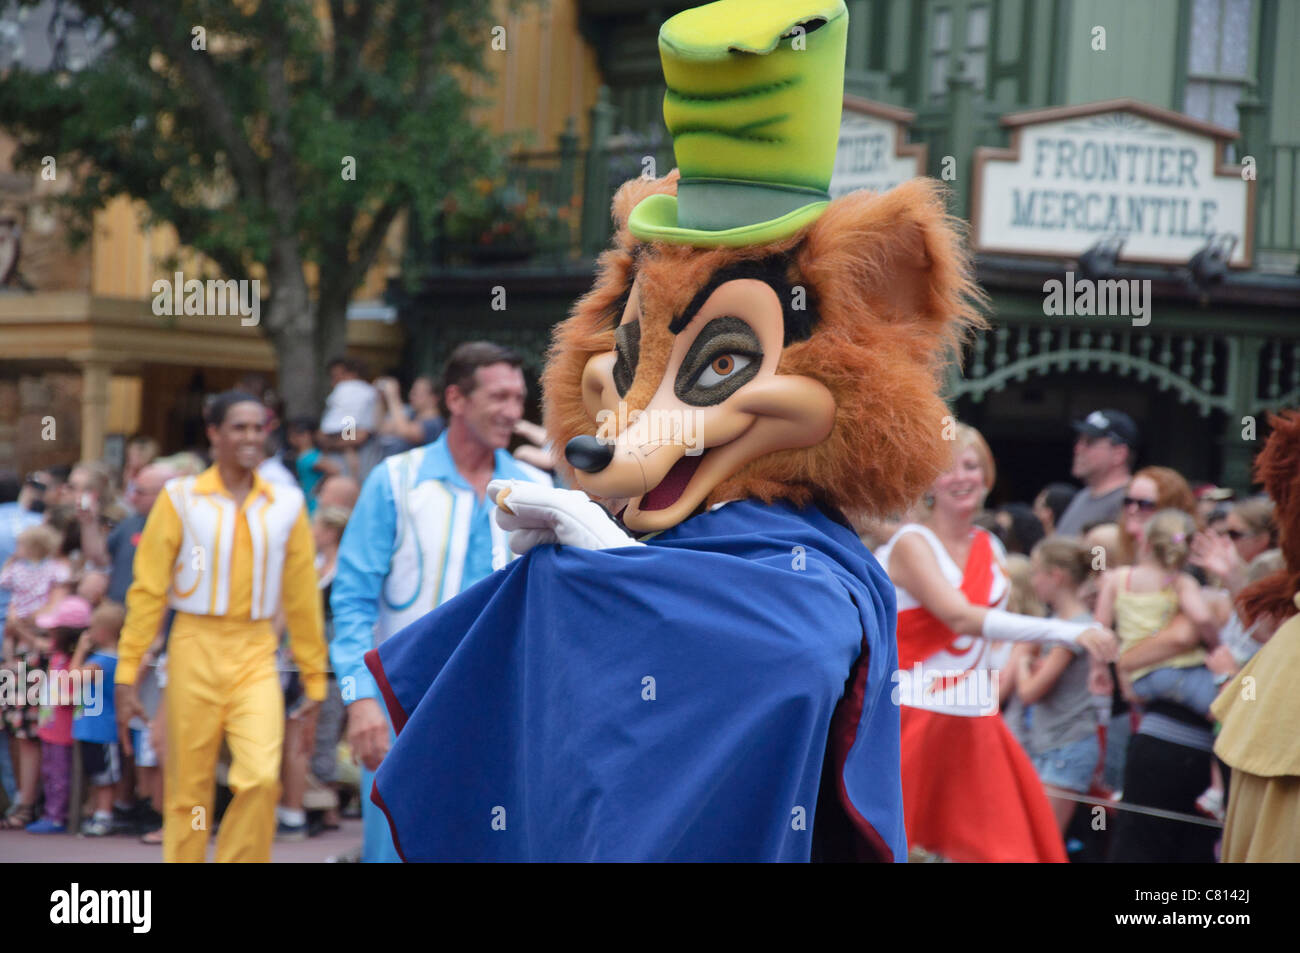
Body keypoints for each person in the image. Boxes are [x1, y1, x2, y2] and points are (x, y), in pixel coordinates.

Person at [331, 341, 550, 862]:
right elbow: (353, 599)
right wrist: (361, 698)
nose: (513, 412)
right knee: (396, 851)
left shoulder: (537, 489)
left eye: (519, 398)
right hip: (402, 704)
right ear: (455, 398)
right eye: (498, 397)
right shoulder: (395, 481)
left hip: (501, 709)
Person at [875, 423, 1117, 862]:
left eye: (971, 466)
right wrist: (1068, 630)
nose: (962, 476)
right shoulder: (912, 543)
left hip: (976, 719)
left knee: (1004, 852)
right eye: (947, 469)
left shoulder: (991, 546)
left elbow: (994, 640)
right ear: (927, 481)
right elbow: (961, 618)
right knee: (896, 846)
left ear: (986, 476)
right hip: (913, 716)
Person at [115, 390, 328, 862]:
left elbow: (301, 596)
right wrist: (128, 670)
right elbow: (148, 590)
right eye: (239, 427)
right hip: (194, 640)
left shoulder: (288, 504)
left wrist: (315, 679)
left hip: (256, 649)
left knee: (259, 776)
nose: (251, 437)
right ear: (214, 433)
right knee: (188, 789)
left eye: (259, 427)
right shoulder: (180, 498)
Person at [1020, 536, 1108, 834]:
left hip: (1065, 746)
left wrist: (1021, 659)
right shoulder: (1064, 623)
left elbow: (1029, 691)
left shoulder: (1072, 630)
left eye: (1036, 572)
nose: (1033, 580)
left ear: (1055, 576)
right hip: (1054, 743)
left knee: (1042, 843)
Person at [25, 598, 87, 833]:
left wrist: (58, 695)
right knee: (49, 771)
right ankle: (49, 812)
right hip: (50, 726)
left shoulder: (74, 661)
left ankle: (57, 816)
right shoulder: (57, 655)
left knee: (60, 775)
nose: (49, 632)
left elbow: (72, 695)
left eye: (54, 629)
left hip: (64, 730)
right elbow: (37, 643)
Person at [70, 600, 126, 836]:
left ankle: (104, 816)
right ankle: (96, 812)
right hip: (91, 727)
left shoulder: (102, 662)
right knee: (97, 775)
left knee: (104, 777)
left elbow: (72, 678)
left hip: (101, 728)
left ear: (101, 633)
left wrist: (81, 651)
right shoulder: (107, 660)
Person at [1055, 409, 1139, 537]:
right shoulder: (1082, 496)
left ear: (1119, 454)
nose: (1078, 449)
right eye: (1079, 441)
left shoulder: (1131, 502)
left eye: (1089, 442)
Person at [319, 357, 382, 485]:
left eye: (338, 376)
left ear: (352, 374)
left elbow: (357, 436)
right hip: (335, 471)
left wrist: (336, 444)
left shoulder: (367, 395)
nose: (334, 382)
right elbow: (322, 434)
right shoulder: (338, 396)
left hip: (359, 473)